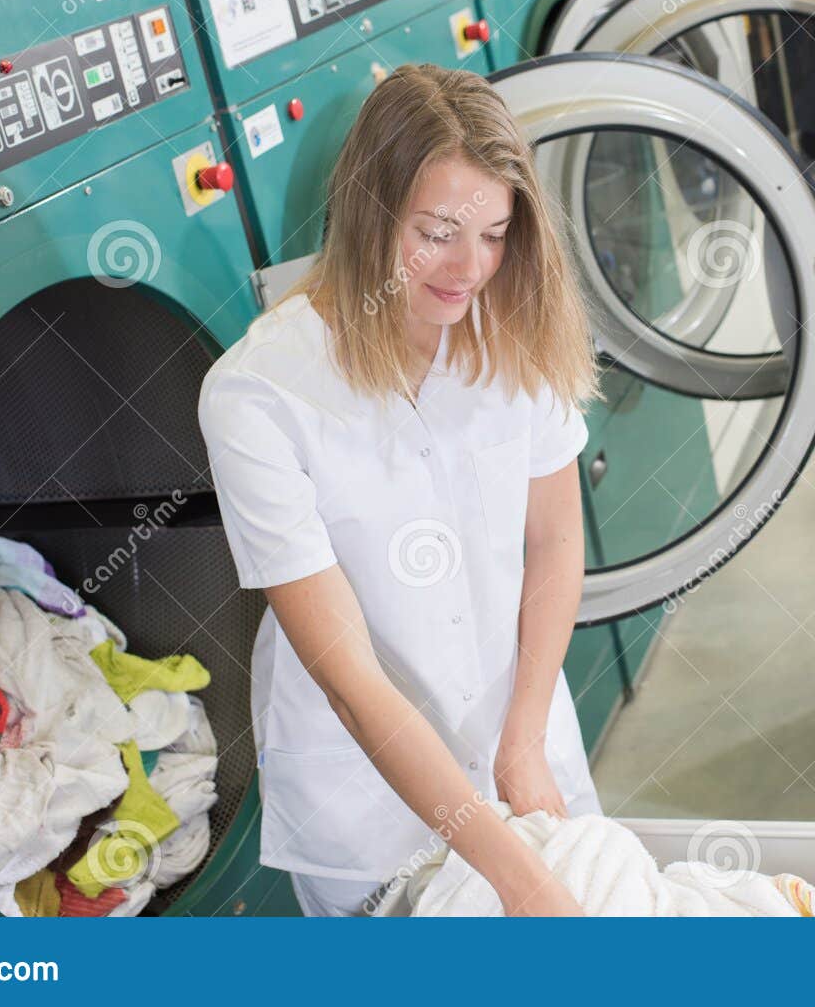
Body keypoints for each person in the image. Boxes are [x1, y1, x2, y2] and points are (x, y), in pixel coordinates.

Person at [197, 64, 600, 917]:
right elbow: (348, 680)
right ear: (370, 212)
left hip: (519, 731)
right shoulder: (259, 395)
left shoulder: (511, 320)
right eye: (438, 232)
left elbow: (557, 538)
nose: (470, 267)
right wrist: (520, 878)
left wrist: (523, 740)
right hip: (367, 802)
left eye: (494, 233)